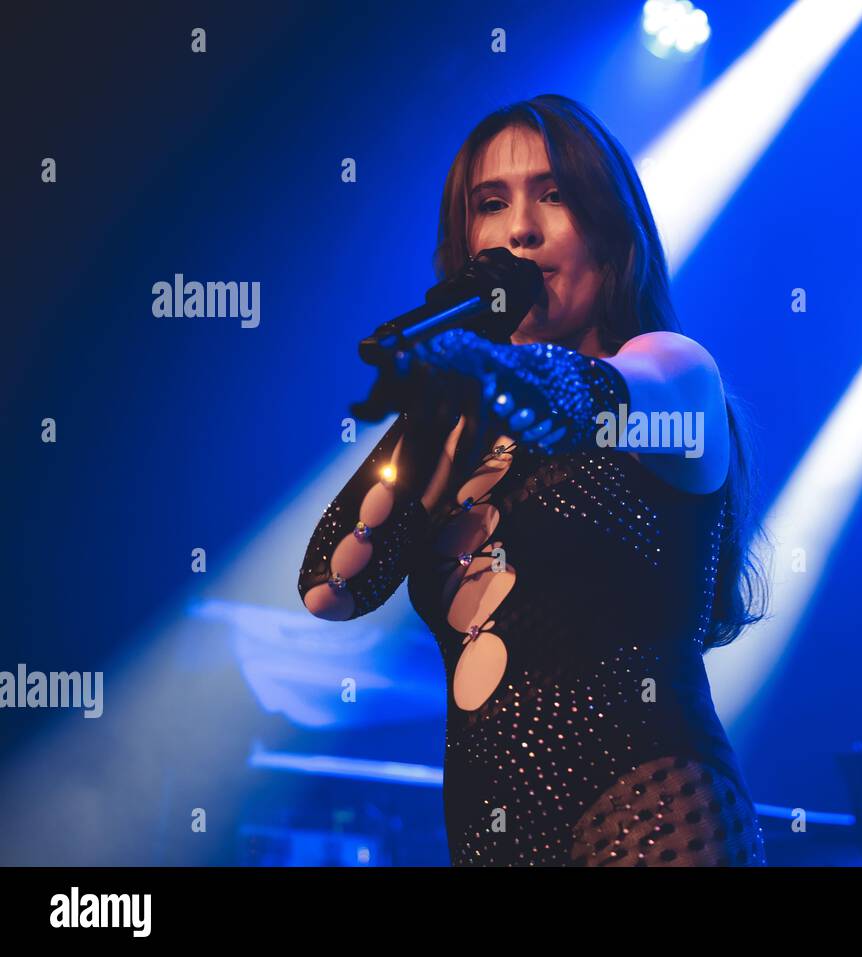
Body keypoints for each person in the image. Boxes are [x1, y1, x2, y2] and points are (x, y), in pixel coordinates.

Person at [297, 94, 771, 867]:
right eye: (492, 204)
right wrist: (435, 397)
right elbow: (330, 587)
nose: (521, 228)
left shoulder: (671, 370)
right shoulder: (463, 419)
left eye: (555, 196)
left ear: (611, 232)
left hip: (648, 812)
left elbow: (586, 401)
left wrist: (474, 360)